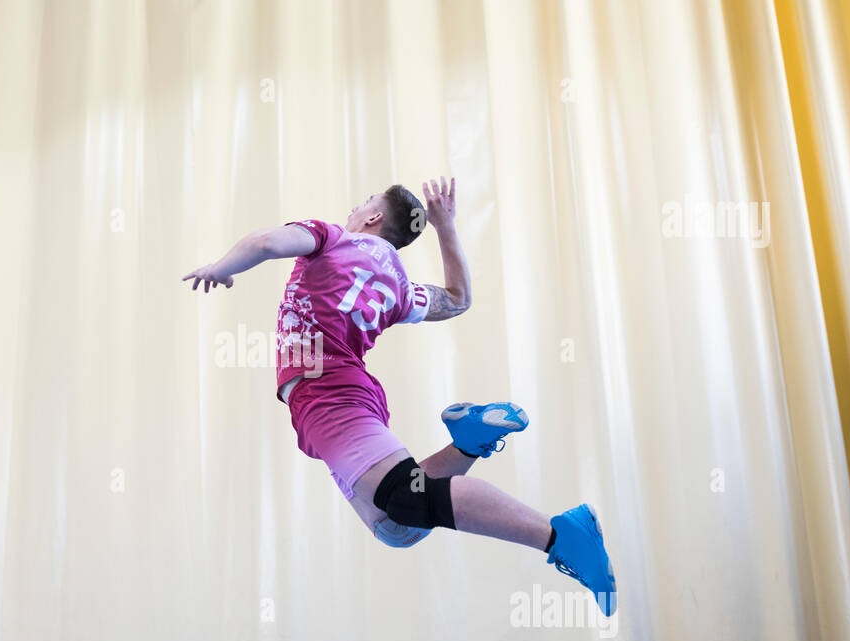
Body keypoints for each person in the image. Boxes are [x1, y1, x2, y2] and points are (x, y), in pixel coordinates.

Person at [182, 178, 616, 615]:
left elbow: (265, 241)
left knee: (408, 503)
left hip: (327, 394)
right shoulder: (399, 287)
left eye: (364, 202)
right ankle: (468, 440)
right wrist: (445, 225)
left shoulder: (330, 237)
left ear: (373, 217)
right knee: (397, 528)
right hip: (347, 393)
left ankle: (561, 534)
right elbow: (458, 299)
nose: (355, 207)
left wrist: (223, 267)